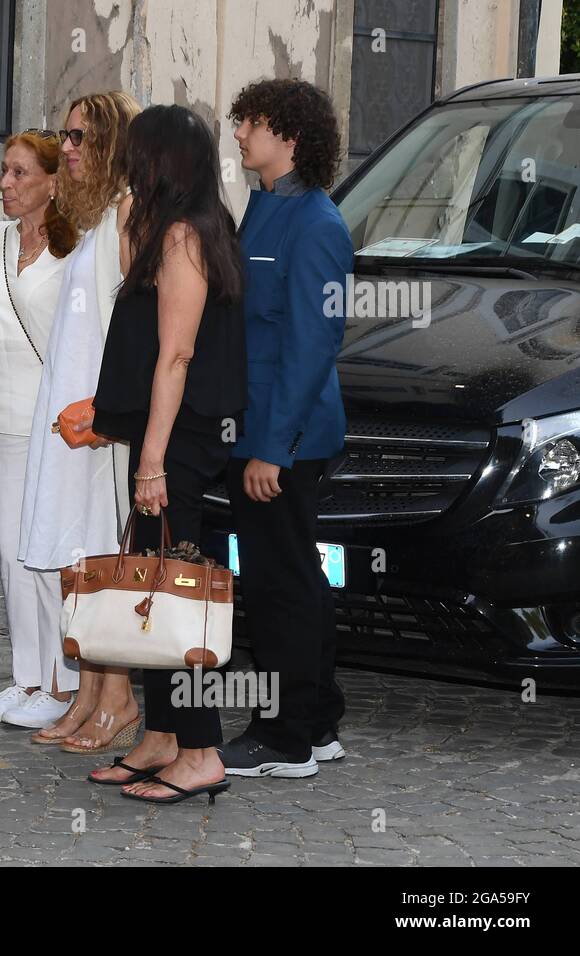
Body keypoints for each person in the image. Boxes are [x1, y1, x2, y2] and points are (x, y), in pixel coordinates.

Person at [84, 105, 246, 803]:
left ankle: (202, 748)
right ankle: (161, 736)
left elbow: (176, 354)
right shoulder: (170, 228)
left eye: (137, 154)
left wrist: (151, 460)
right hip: (167, 435)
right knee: (152, 586)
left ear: (161, 161)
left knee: (177, 594)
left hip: (177, 439)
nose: (127, 164)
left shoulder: (187, 236)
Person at [217, 78, 352, 778]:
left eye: (252, 123)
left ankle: (284, 737)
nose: (240, 133)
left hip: (284, 440)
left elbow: (310, 347)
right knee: (292, 577)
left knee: (280, 586)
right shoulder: (264, 207)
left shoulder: (317, 224)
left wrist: (272, 449)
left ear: (290, 138)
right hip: (259, 432)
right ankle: (318, 721)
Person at [19, 91, 138, 752]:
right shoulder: (91, 219)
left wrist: (111, 411)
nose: (66, 148)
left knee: (102, 559)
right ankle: (88, 694)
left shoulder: (129, 214)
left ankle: (116, 698)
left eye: (80, 137)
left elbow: (139, 330)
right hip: (64, 413)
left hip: (99, 424)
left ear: (113, 145)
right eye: (62, 135)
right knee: (75, 560)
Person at [0, 129, 80, 728]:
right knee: (12, 553)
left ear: (51, 182)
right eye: (4, 172)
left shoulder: (78, 248)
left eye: (19, 174)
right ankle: (26, 677)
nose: (6, 184)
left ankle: (65, 685)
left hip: (60, 423)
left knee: (52, 556)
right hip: (7, 419)